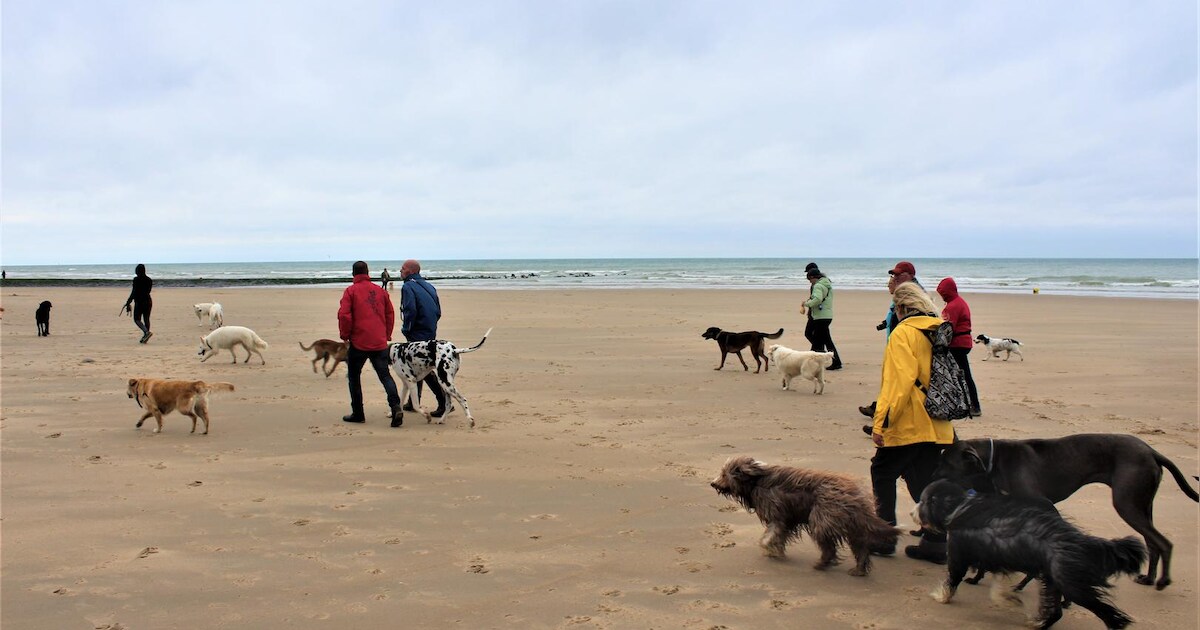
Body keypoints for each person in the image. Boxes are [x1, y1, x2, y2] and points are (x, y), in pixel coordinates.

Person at [867, 282, 954, 563]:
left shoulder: (904, 333)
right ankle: (937, 541)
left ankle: (883, 537)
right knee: (922, 480)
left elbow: (899, 383)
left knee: (882, 471)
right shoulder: (938, 329)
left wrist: (881, 423)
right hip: (937, 419)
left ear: (902, 307)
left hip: (910, 419)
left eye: (895, 307)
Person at [338, 260, 404, 426]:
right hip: (378, 341)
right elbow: (390, 314)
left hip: (358, 341)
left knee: (353, 377)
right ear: (368, 272)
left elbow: (345, 315)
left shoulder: (351, 291)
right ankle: (396, 406)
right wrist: (387, 334)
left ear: (353, 273)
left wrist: (344, 334)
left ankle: (358, 413)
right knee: (384, 375)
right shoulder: (380, 291)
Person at [860, 261, 923, 420]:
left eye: (899, 275)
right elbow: (892, 315)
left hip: (907, 347)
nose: (895, 278)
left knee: (899, 385)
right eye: (893, 275)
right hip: (896, 343)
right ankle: (880, 414)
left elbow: (917, 320)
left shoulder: (914, 294)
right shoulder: (902, 293)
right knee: (892, 383)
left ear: (910, 276)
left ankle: (883, 418)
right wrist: (885, 325)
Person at [399, 259, 447, 416]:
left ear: (411, 271)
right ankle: (414, 401)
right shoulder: (429, 286)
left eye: (403, 268)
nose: (400, 270)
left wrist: (407, 328)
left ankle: (444, 402)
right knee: (417, 366)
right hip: (429, 330)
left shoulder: (408, 286)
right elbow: (438, 311)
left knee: (423, 367)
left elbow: (410, 310)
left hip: (417, 331)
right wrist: (430, 326)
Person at [937, 277, 981, 416]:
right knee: (962, 374)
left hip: (958, 344)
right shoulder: (959, 302)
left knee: (962, 375)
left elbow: (947, 329)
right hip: (964, 342)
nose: (942, 296)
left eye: (943, 293)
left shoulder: (952, 306)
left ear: (948, 292)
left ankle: (973, 406)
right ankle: (969, 404)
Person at [800, 264, 842, 370]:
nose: (809, 281)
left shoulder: (818, 285)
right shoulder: (826, 284)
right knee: (823, 339)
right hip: (824, 315)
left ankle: (819, 359)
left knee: (820, 340)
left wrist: (807, 304)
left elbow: (817, 299)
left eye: (809, 278)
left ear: (813, 276)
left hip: (820, 316)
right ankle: (830, 359)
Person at [123, 264, 154, 343]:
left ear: (137, 271)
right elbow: (148, 291)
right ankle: (146, 336)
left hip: (140, 302)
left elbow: (134, 291)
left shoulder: (136, 279)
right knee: (146, 319)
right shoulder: (149, 280)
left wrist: (128, 302)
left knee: (137, 319)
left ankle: (146, 333)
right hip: (148, 301)